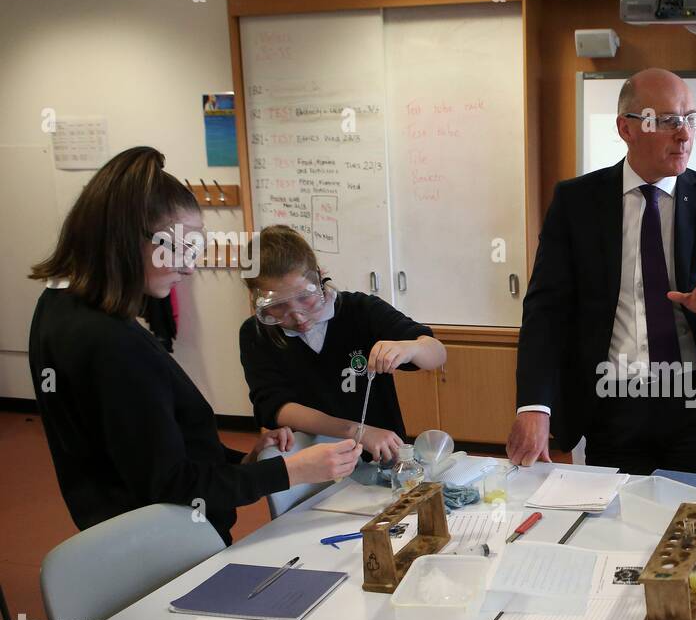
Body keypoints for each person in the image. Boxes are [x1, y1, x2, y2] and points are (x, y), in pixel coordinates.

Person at [28, 147, 358, 545]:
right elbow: (172, 484)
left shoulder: (60, 305)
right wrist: (293, 471)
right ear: (126, 237)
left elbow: (147, 452)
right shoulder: (111, 343)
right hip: (162, 545)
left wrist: (241, 460)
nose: (188, 267)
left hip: (135, 536)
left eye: (194, 251)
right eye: (179, 250)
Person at [508, 68, 696, 476]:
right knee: (613, 531)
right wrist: (535, 404)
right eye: (667, 120)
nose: (684, 134)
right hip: (611, 407)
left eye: (690, 119)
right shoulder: (576, 203)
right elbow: (545, 312)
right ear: (626, 128)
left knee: (692, 530)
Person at [238, 224, 446, 464]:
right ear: (257, 298)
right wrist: (357, 431)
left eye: (305, 298)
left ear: (319, 276)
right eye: (279, 306)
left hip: (379, 457)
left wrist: (411, 348)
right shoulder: (256, 333)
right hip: (312, 465)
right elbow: (275, 406)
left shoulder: (360, 311)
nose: (298, 316)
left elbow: (436, 352)